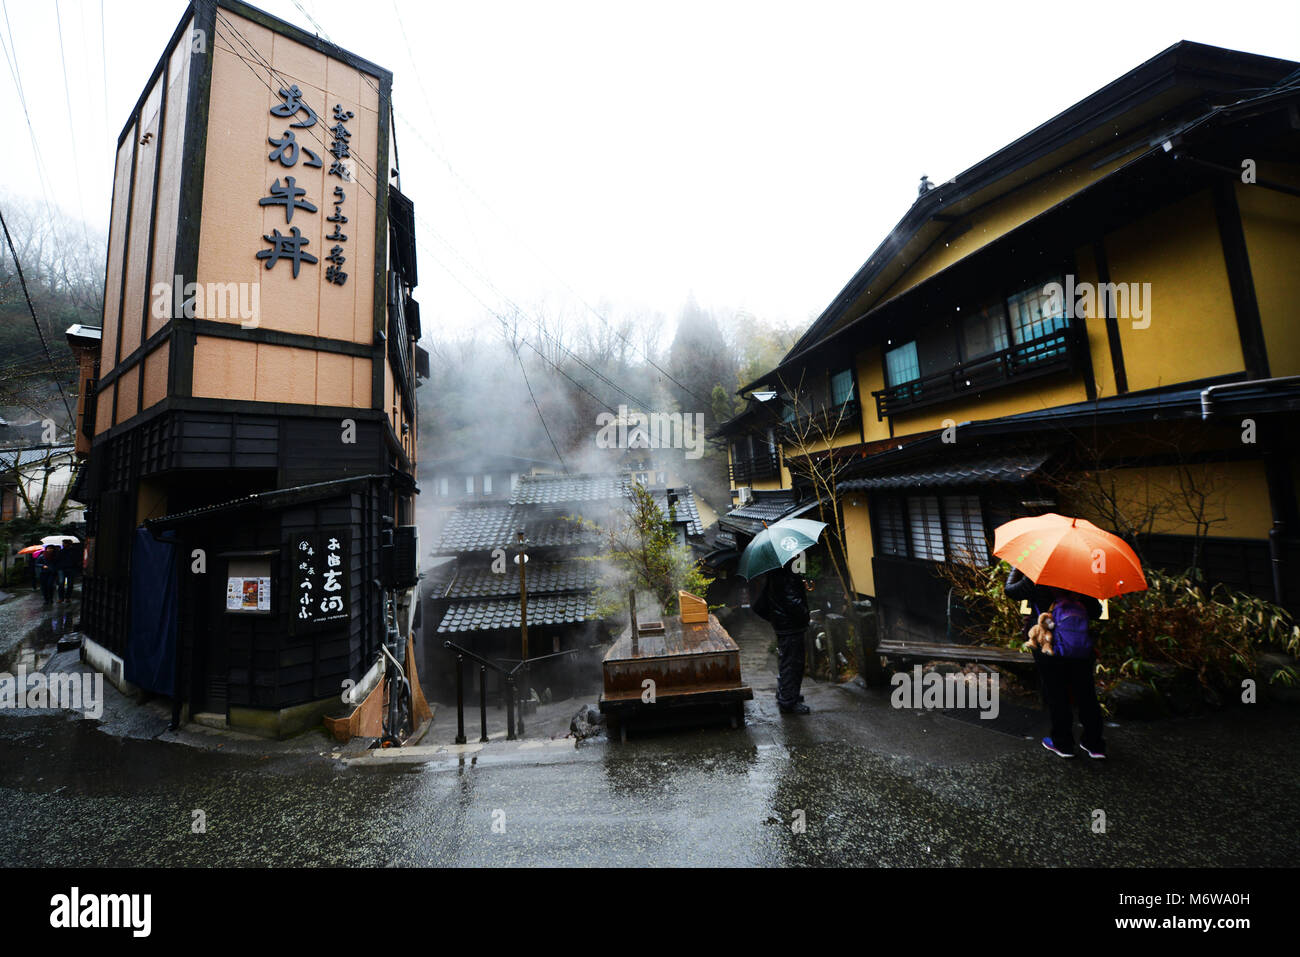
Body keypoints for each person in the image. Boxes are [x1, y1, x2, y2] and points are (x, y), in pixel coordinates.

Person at [1005, 566, 1105, 759]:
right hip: (1079, 646)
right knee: (1086, 693)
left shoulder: (1039, 576)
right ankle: (1095, 745)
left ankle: (1063, 743)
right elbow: (1096, 612)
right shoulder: (1081, 577)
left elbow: (1011, 591)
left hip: (1048, 645)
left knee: (1056, 693)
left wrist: (1017, 568)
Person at [752, 561, 812, 715]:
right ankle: (788, 702)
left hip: (783, 625)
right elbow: (793, 602)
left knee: (787, 660)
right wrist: (806, 615)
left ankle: (787, 694)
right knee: (792, 663)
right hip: (791, 626)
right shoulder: (786, 575)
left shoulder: (776, 572)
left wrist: (799, 584)